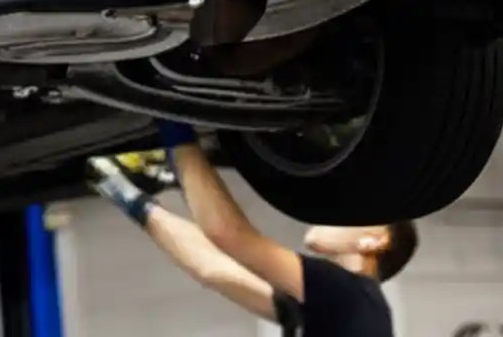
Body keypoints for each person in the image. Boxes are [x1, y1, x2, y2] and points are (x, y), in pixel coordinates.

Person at [88, 123, 417, 337]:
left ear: (374, 240)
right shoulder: (347, 309)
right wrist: (128, 198)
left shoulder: (348, 294)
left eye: (358, 215)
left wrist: (177, 133)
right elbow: (215, 270)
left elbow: (227, 234)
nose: (339, 212)